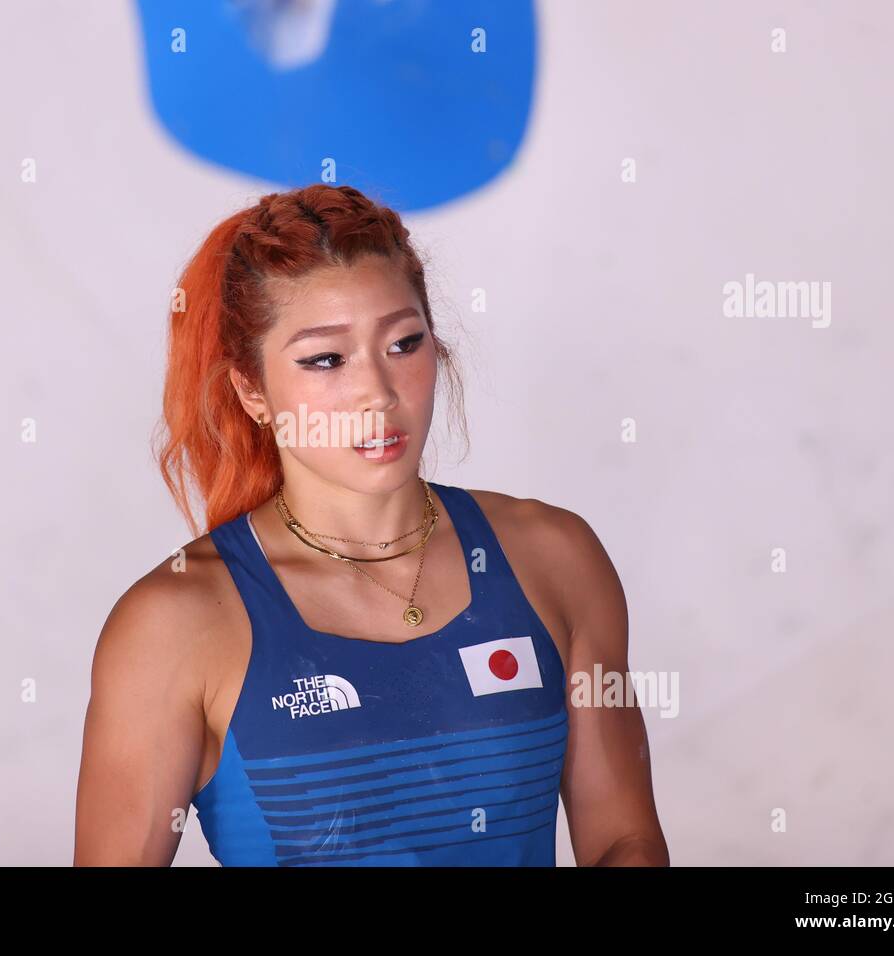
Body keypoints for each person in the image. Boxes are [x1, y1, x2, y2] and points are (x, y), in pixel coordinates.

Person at [73, 184, 668, 866]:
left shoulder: (555, 558)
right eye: (326, 359)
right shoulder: (172, 623)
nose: (378, 394)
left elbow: (625, 838)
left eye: (403, 344)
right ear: (252, 392)